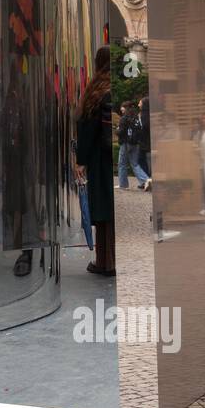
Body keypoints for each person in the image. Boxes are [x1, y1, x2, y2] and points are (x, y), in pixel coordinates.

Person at [75, 46, 115, 275]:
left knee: (102, 212)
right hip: (112, 156)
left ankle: (105, 262)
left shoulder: (96, 91)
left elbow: (88, 127)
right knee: (112, 211)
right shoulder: (114, 88)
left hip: (100, 160)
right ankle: (113, 260)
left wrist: (81, 159)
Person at [116, 101, 151, 191]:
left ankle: (123, 185)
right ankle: (146, 180)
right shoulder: (135, 118)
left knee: (122, 164)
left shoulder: (124, 118)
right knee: (135, 164)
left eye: (122, 107)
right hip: (135, 143)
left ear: (125, 108)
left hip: (125, 143)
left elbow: (121, 132)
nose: (121, 109)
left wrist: (117, 130)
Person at [136, 96, 153, 179]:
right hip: (145, 142)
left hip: (145, 142)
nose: (138, 104)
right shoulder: (146, 114)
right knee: (143, 160)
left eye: (140, 103)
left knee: (143, 160)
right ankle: (147, 179)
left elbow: (145, 127)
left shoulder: (144, 116)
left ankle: (147, 179)